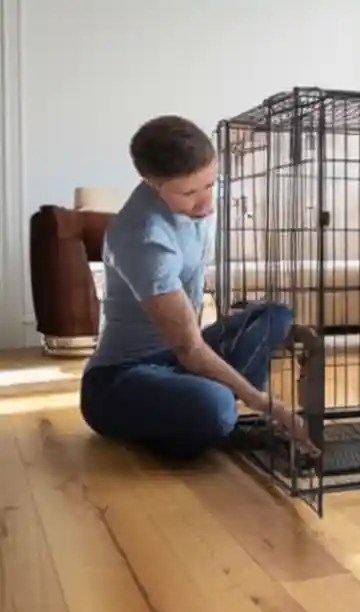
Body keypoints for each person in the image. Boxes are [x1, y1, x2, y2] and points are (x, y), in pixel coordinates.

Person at [79, 115, 318, 460]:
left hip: (178, 359)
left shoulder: (196, 204)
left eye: (210, 184)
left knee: (273, 316)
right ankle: (212, 418)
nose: (205, 204)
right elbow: (189, 348)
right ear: (151, 183)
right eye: (189, 193)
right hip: (123, 378)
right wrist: (270, 406)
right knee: (217, 407)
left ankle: (203, 415)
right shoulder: (144, 237)